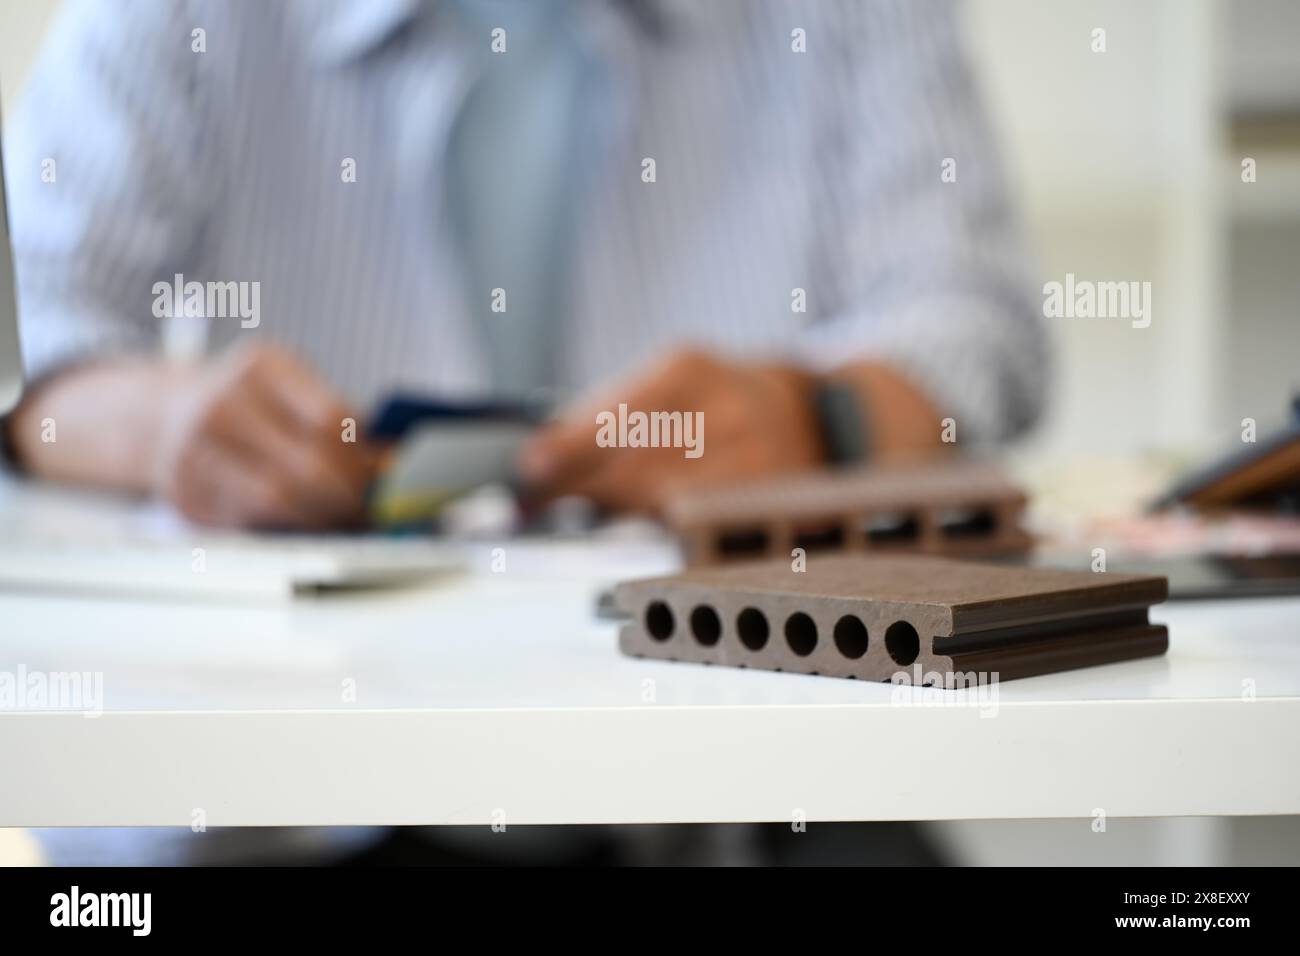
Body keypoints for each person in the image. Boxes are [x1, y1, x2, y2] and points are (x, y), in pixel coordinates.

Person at [1, 0, 1046, 864]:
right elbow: (29, 345)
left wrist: (817, 414)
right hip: (294, 803)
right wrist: (162, 419)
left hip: (744, 786)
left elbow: (977, 328)